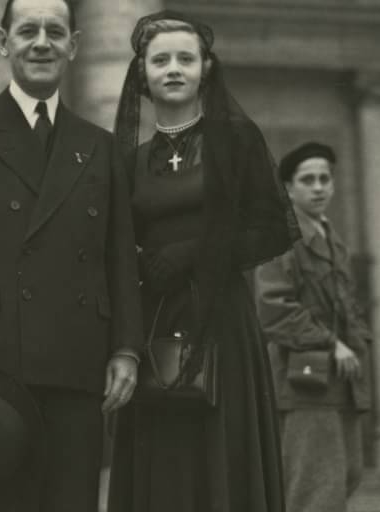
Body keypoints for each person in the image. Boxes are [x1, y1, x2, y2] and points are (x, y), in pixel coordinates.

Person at [0, 0, 145, 509]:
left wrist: (127, 348)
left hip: (78, 367)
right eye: (28, 31)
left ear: (74, 47)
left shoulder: (101, 146)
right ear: (3, 42)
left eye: (55, 32)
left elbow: (120, 258)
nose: (42, 42)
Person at [106, 10, 302, 512]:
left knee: (223, 457)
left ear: (205, 69)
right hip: (154, 322)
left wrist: (194, 252)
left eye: (185, 59)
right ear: (142, 74)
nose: (173, 68)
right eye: (160, 59)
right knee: (164, 461)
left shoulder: (236, 142)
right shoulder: (130, 160)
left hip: (221, 322)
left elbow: (274, 228)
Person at [254, 142, 374, 512]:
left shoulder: (330, 238)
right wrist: (331, 343)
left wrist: (359, 342)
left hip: (341, 383)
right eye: (308, 180)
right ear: (289, 188)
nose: (319, 187)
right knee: (314, 490)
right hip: (304, 382)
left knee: (345, 478)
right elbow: (272, 309)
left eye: (325, 179)